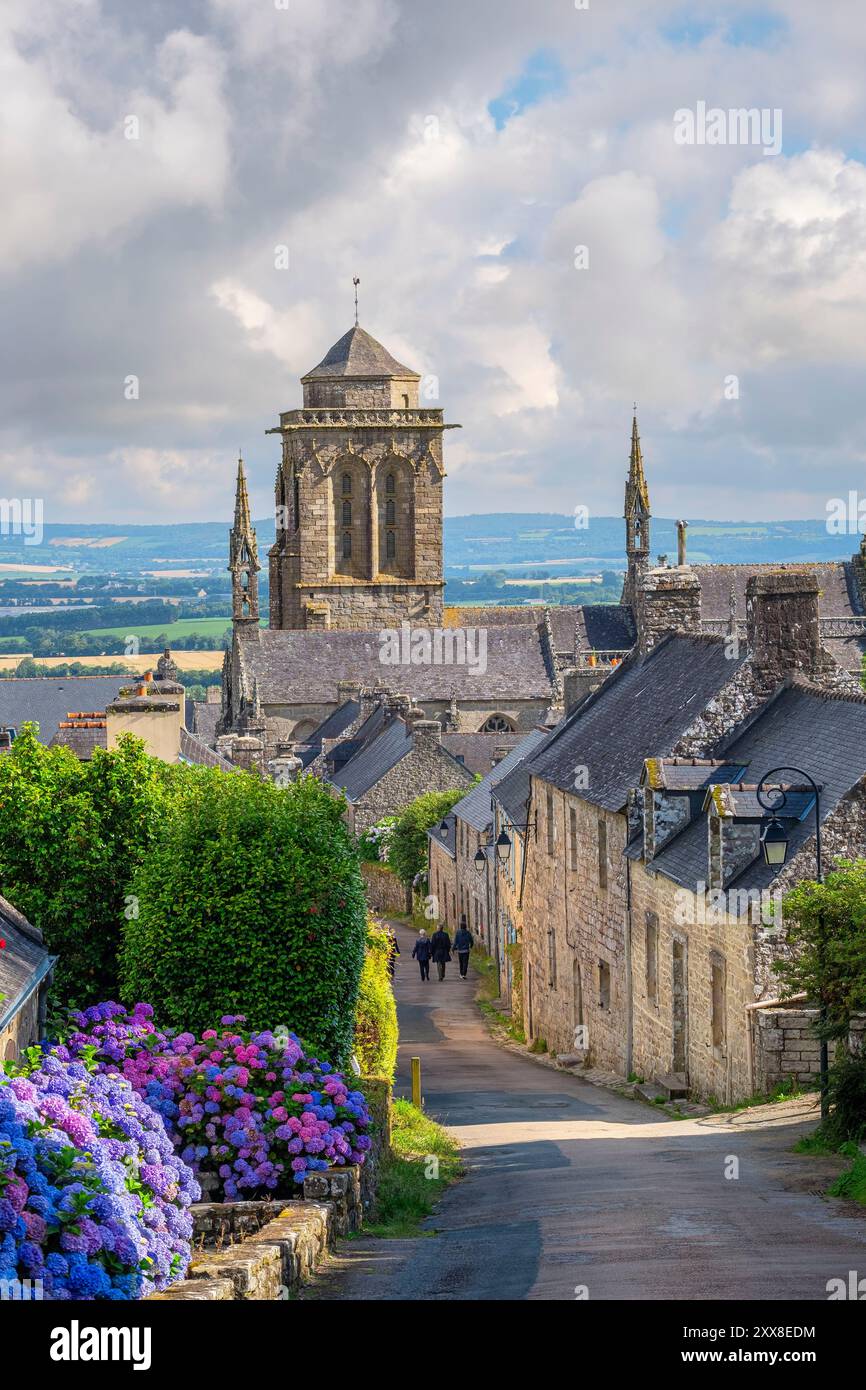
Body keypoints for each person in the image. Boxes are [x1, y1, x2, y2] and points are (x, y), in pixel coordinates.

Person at [454, 915, 473, 980]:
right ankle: (464, 974)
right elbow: (471, 940)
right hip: (466, 950)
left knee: (461, 963)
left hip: (460, 950)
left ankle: (461, 974)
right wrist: (471, 945)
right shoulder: (468, 933)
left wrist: (453, 948)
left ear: (460, 927)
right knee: (465, 962)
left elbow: (456, 941)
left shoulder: (458, 933)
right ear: (466, 927)